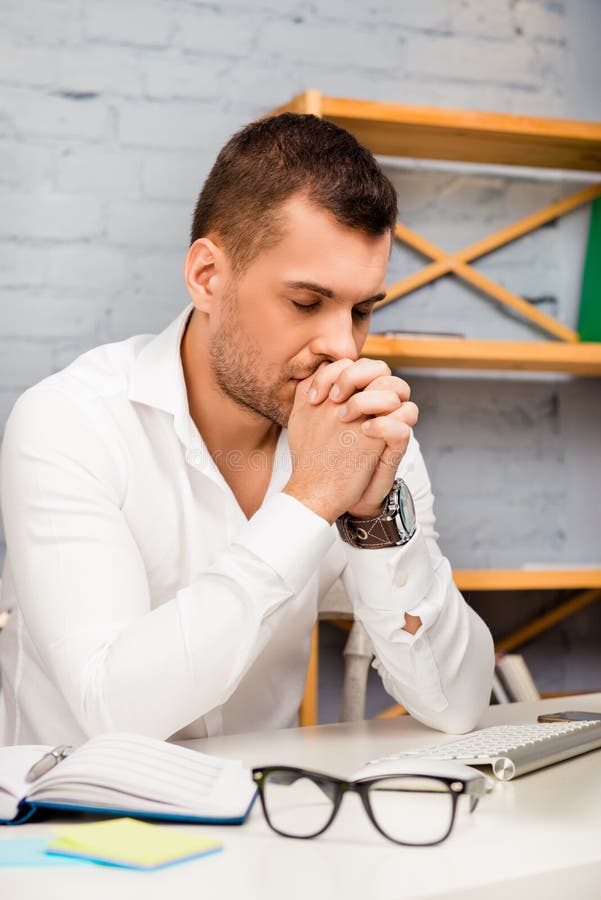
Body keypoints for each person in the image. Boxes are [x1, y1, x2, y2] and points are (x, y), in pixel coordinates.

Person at [0, 113, 494, 746]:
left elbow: (457, 707)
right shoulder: (70, 422)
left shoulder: (363, 436)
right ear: (208, 276)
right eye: (307, 303)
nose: (343, 348)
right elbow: (112, 712)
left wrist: (374, 522)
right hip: (67, 827)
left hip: (271, 824)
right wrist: (311, 500)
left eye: (363, 309)